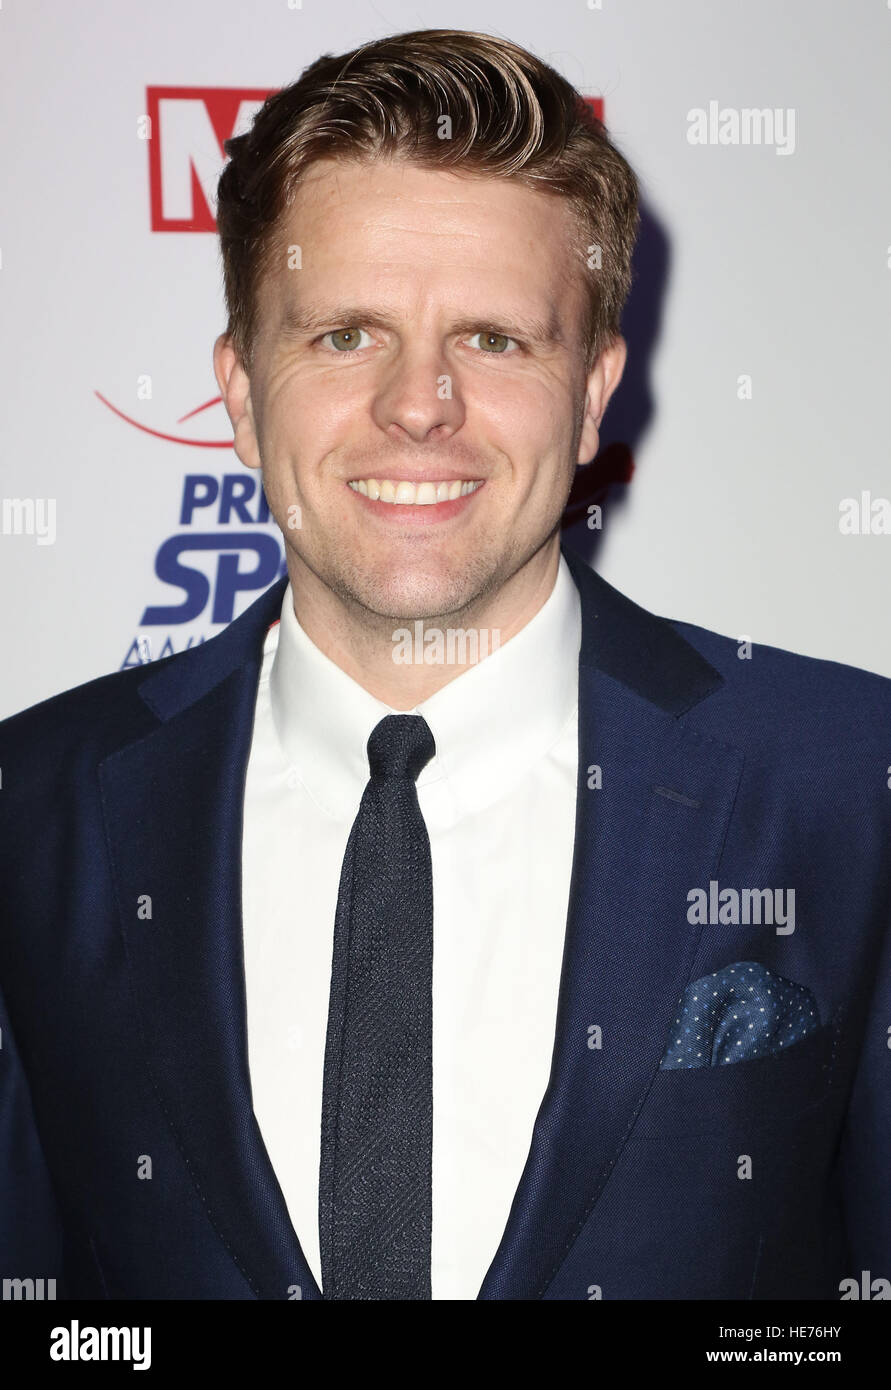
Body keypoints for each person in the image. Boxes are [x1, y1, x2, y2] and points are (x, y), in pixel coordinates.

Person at [0, 28, 888, 1302]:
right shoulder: (37, 806)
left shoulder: (849, 787)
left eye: (497, 340)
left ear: (593, 392)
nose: (421, 405)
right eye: (347, 335)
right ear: (242, 394)